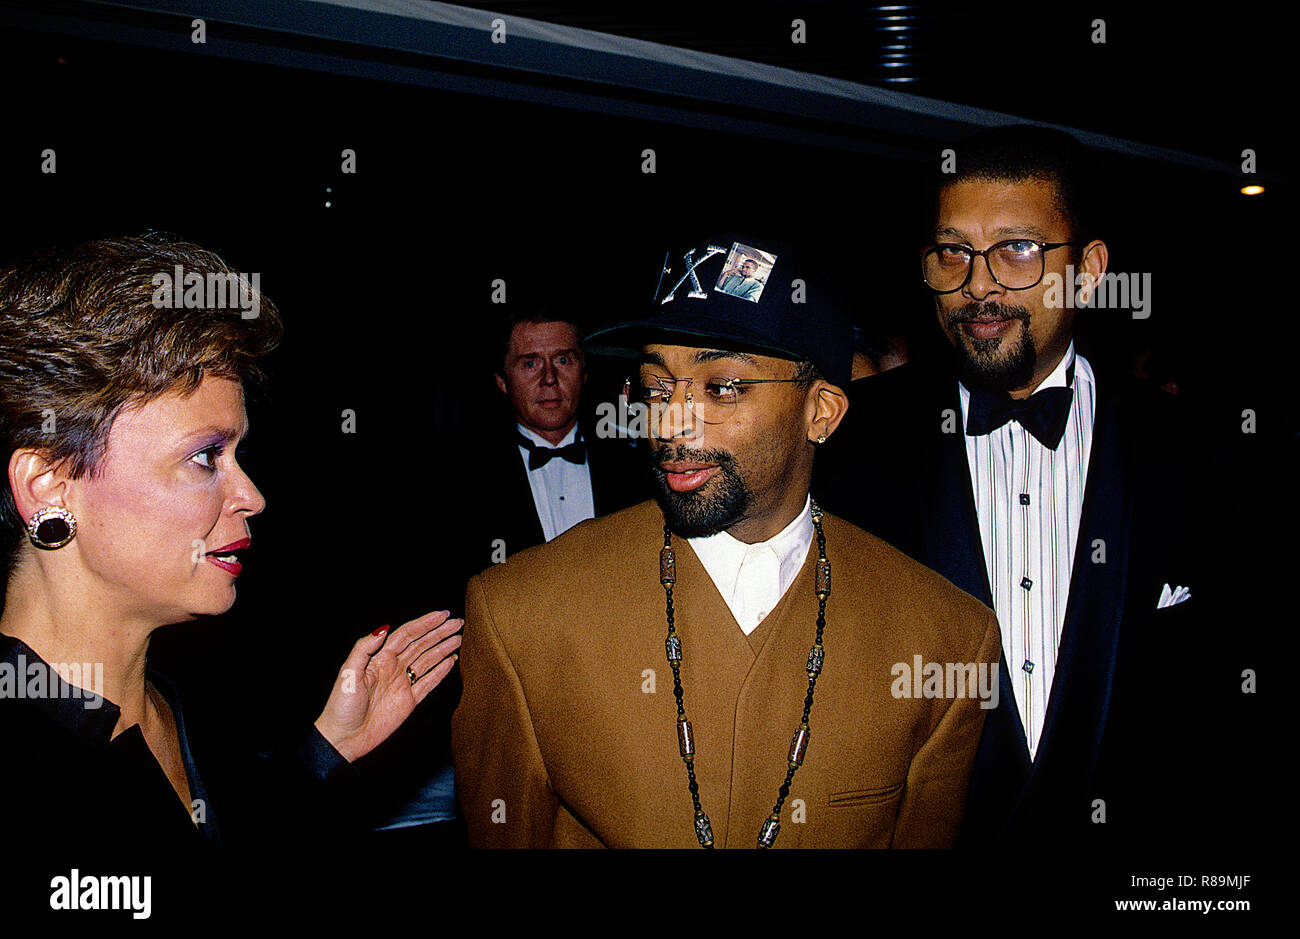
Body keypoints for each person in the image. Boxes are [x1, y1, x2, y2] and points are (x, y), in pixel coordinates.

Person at [452, 235, 1000, 848]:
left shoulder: (945, 639)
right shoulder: (521, 614)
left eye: (723, 388)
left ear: (821, 412)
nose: (672, 424)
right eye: (658, 388)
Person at [814, 125, 1227, 847]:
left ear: (1090, 269)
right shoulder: (849, 445)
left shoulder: (1205, 456)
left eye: (1018, 249)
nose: (978, 284)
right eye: (954, 253)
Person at [0, 234, 462, 853]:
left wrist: (331, 750)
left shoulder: (184, 708)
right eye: (204, 456)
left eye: (235, 454)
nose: (252, 495)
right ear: (50, 487)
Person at [475, 309, 645, 568]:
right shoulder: (465, 482)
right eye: (530, 363)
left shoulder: (636, 467)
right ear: (502, 380)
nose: (550, 379)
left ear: (584, 372)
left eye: (563, 360)